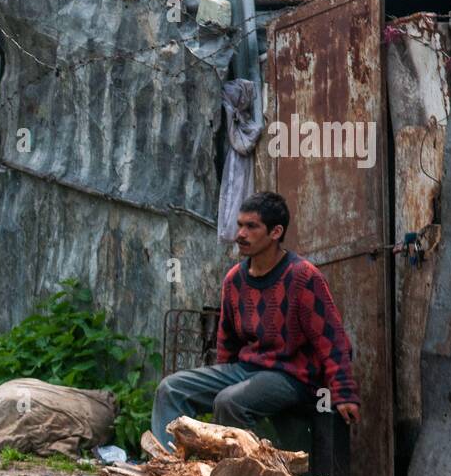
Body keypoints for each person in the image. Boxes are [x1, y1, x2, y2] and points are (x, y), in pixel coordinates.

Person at [150, 191, 360, 452]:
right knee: (171, 388)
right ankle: (167, 469)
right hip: (246, 370)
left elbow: (333, 340)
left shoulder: (303, 276)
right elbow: (227, 341)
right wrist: (222, 377)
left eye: (251, 226)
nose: (240, 233)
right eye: (239, 225)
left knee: (230, 401)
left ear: (275, 232)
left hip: (292, 376)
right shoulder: (234, 279)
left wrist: (344, 392)